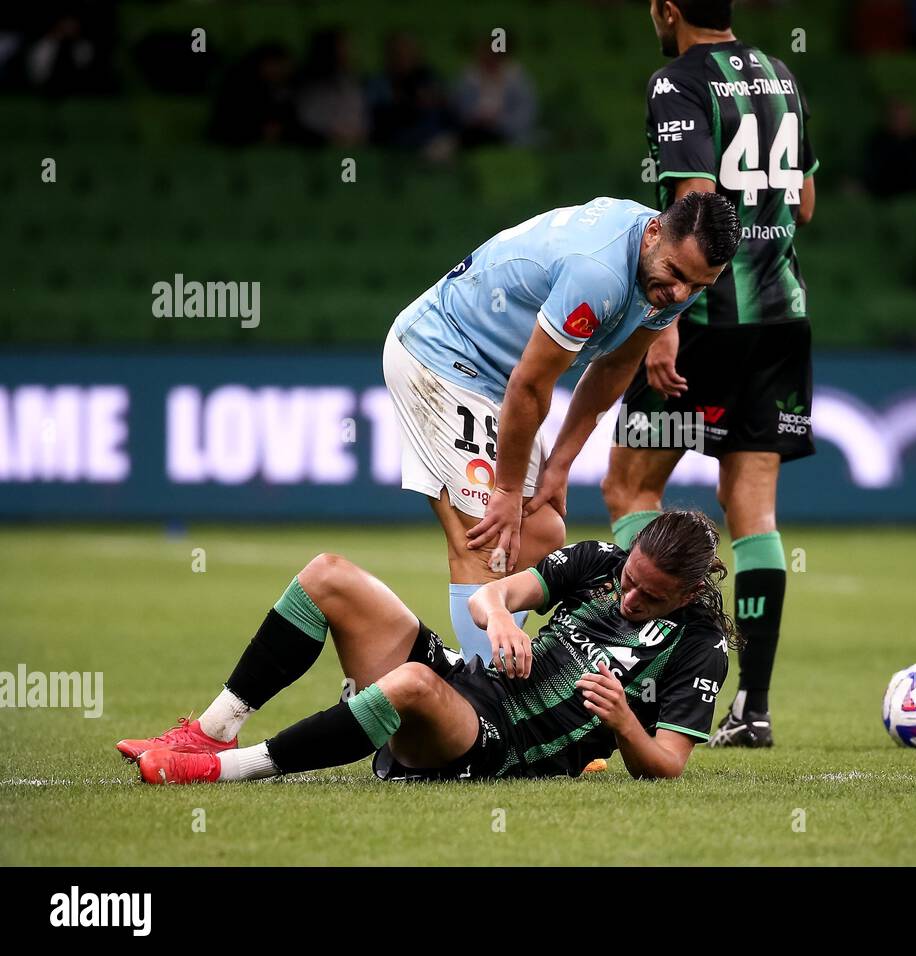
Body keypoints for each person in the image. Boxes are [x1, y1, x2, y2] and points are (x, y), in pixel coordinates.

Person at [117, 511, 734, 784]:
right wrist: (501, 621)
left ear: (687, 593)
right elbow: (490, 596)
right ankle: (213, 729)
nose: (629, 597)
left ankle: (221, 770)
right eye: (630, 582)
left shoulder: (701, 649)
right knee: (329, 574)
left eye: (650, 597)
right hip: (471, 685)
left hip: (503, 745)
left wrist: (625, 723)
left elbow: (668, 764)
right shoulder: (602, 559)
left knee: (411, 685)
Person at [387, 192, 739, 663]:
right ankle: (481, 712)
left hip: (499, 381)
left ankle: (463, 680)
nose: (680, 293)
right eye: (677, 275)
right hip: (445, 359)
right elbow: (532, 383)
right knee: (490, 542)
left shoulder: (670, 274)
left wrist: (559, 467)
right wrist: (507, 490)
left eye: (699, 285)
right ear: (654, 232)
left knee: (543, 532)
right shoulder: (597, 271)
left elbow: (616, 367)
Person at [601, 0, 817, 749]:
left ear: (668, 8)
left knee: (630, 489)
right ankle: (751, 710)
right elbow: (807, 202)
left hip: (707, 319)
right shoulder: (781, 76)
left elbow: (692, 205)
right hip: (782, 318)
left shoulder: (677, 81)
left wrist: (666, 324)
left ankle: (664, 659)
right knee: (753, 513)